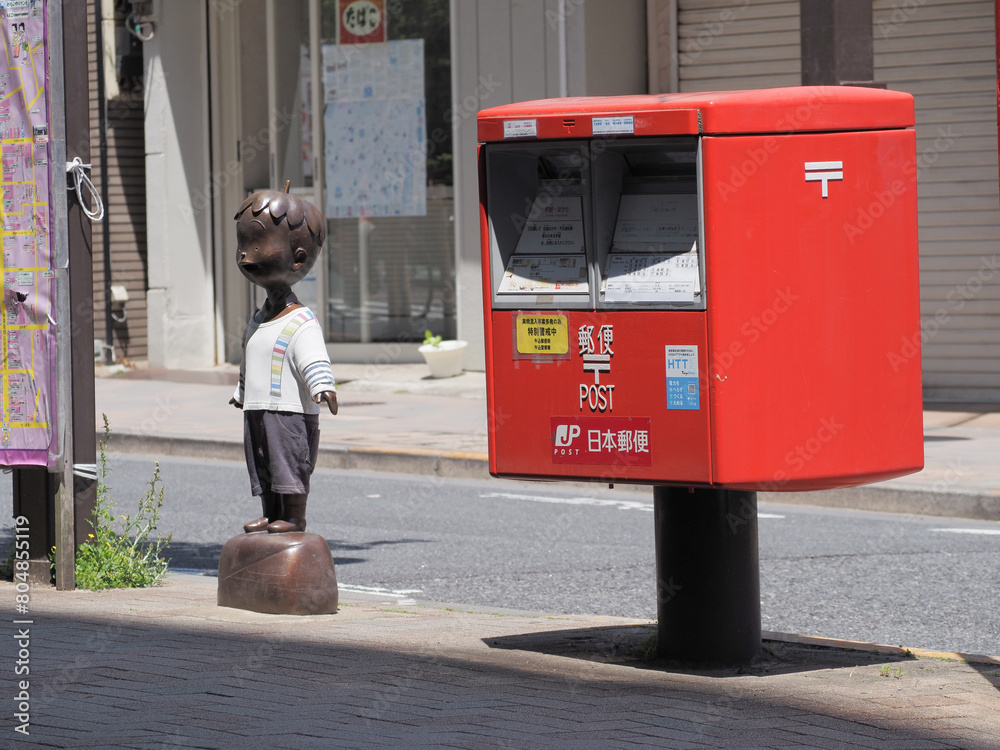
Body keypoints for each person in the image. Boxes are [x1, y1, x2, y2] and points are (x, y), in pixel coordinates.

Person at [229, 183, 337, 534]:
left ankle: (293, 515)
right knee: (262, 462)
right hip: (257, 407)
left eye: (258, 244)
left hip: (290, 412)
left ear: (299, 258)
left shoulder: (301, 320)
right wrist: (242, 392)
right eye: (243, 245)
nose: (246, 255)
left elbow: (312, 357)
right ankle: (270, 510)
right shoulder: (258, 319)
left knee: (288, 462)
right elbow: (250, 358)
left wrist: (323, 387)